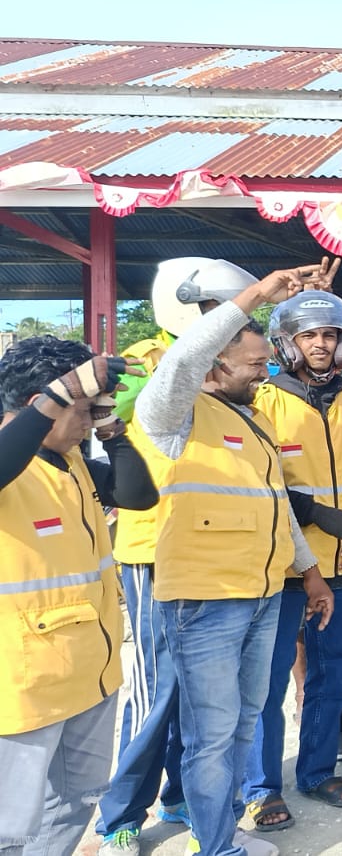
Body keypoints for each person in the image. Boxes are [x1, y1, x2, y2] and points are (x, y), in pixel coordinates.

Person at [129, 265, 334, 856]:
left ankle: (216, 832)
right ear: (215, 364)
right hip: (205, 601)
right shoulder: (173, 412)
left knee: (242, 725)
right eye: (253, 364)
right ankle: (217, 847)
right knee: (212, 736)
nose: (264, 371)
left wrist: (311, 573)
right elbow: (182, 358)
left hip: (262, 595)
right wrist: (253, 298)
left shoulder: (254, 421)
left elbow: (277, 510)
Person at [97, 256, 259, 855]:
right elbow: (179, 371)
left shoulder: (236, 377)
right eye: (228, 311)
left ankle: (183, 799)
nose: (241, 325)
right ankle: (120, 816)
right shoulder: (149, 363)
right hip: (153, 553)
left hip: (209, 558)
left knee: (205, 698)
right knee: (156, 692)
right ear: (193, 309)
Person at [0, 340, 154, 856]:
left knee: (72, 804)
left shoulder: (73, 464)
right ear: (36, 400)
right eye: (84, 410)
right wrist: (62, 392)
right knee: (9, 825)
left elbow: (138, 496)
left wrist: (112, 428)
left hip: (90, 673)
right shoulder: (12, 461)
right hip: (21, 691)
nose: (89, 420)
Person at [243, 292, 342, 828]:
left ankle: (318, 770)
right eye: (309, 336)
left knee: (335, 673)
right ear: (288, 342)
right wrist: (316, 513)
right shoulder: (263, 401)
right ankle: (260, 786)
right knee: (269, 681)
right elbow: (258, 480)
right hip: (283, 568)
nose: (321, 344)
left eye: (330, 335)